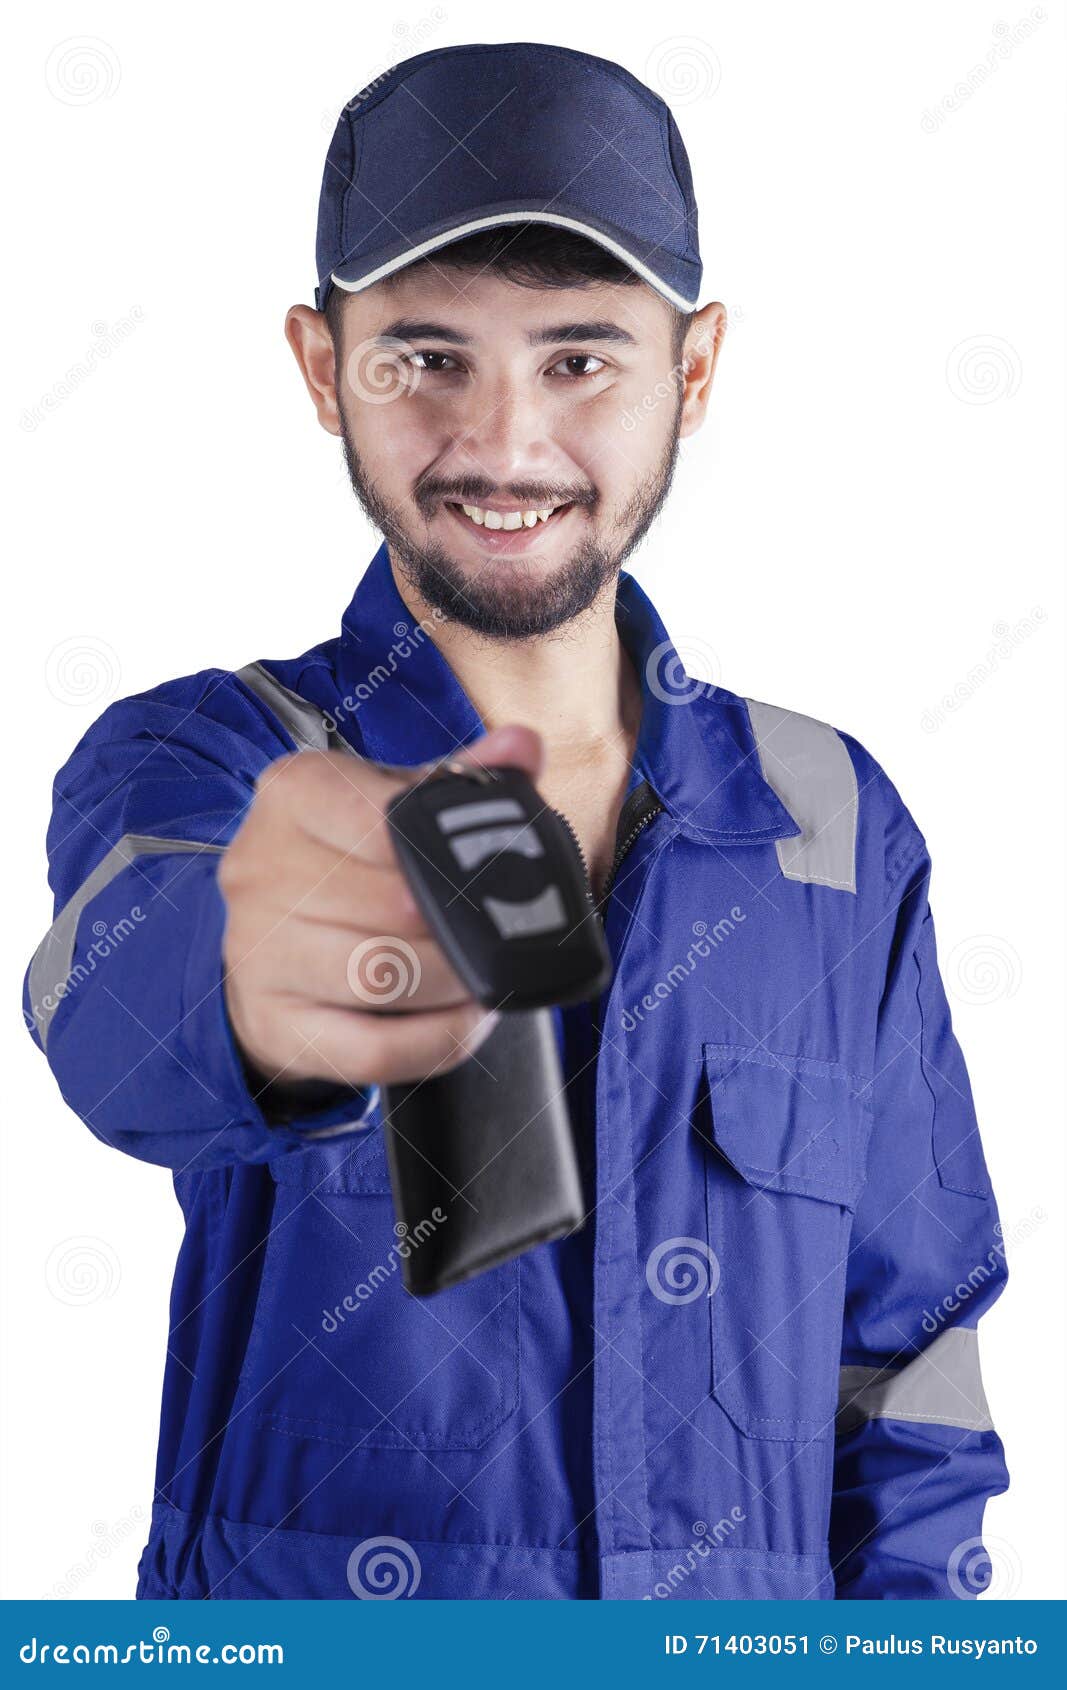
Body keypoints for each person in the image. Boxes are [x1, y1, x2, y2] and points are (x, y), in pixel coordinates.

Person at [24, 41, 1007, 1602]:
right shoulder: (214, 761)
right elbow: (119, 1004)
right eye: (425, 357)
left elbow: (909, 1355)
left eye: (578, 357)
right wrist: (262, 994)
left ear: (694, 369)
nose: (504, 444)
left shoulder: (835, 822)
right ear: (318, 362)